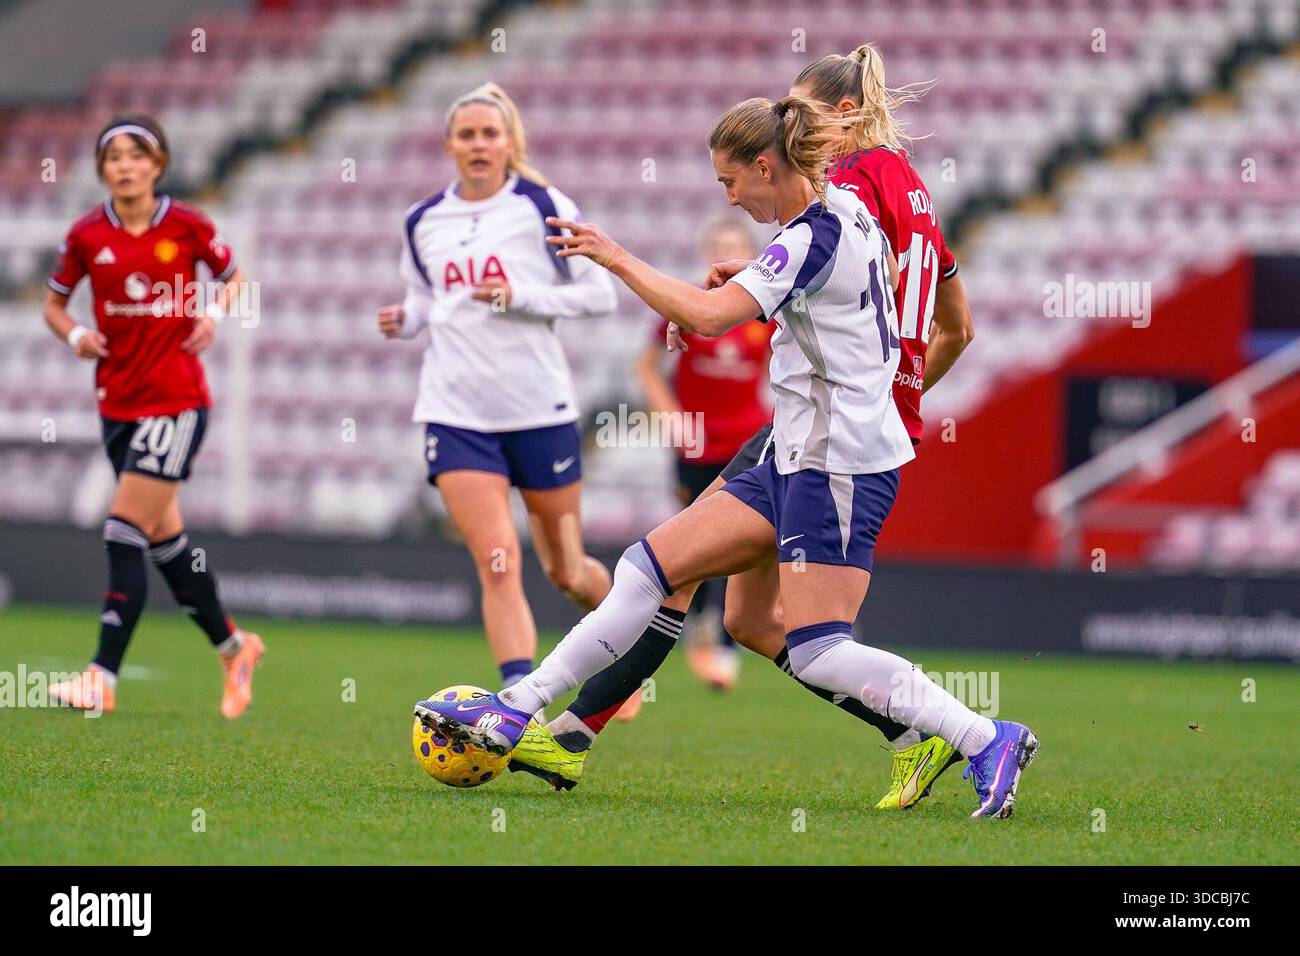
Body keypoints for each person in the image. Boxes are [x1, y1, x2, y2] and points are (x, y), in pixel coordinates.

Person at [416, 95, 1037, 820]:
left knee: (816, 648)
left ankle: (985, 735)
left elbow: (713, 317)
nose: (729, 195)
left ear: (765, 165)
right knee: (652, 570)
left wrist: (614, 254)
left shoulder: (813, 235)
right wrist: (751, 279)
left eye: (729, 181)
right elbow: (813, 281)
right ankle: (520, 709)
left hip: (836, 463)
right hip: (791, 451)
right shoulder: (842, 212)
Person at [377, 83, 617, 690]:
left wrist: (520, 298)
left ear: (510, 143)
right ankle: (517, 703)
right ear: (448, 145)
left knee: (566, 569)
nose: (479, 144)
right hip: (455, 414)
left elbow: (600, 293)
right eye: (467, 135)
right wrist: (405, 320)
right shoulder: (422, 219)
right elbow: (429, 300)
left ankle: (626, 659)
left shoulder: (541, 204)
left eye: (490, 133)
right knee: (497, 559)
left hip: (539, 412)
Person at [43, 113, 264, 717]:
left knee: (122, 531)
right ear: (103, 170)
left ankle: (101, 678)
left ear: (157, 164)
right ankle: (235, 647)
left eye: (136, 155)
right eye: (113, 157)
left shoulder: (187, 223)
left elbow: (235, 277)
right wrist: (77, 335)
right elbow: (53, 305)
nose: (125, 166)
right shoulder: (88, 234)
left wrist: (214, 315)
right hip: (117, 404)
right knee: (169, 547)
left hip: (177, 403)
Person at [627, 217, 772, 707]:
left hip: (747, 441)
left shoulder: (766, 312)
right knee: (697, 537)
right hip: (695, 445)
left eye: (736, 246)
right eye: (719, 247)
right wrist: (669, 416)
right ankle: (694, 628)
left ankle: (725, 644)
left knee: (739, 540)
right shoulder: (689, 306)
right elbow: (646, 365)